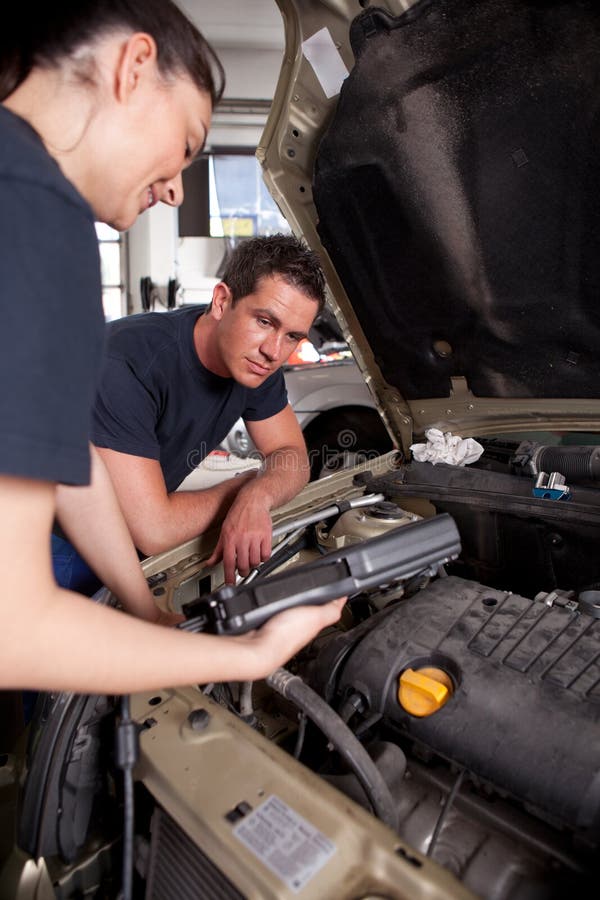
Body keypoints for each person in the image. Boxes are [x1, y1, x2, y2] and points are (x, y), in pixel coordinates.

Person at [0, 0, 344, 701]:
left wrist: (143, 607)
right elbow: (18, 630)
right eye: (186, 143)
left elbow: (77, 469)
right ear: (132, 67)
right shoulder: (38, 220)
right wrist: (249, 657)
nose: (176, 188)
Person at [54, 234, 326, 592]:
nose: (274, 351)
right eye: (264, 321)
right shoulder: (126, 364)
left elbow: (292, 457)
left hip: (129, 535)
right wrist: (243, 485)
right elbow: (155, 531)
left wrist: (258, 496)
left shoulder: (257, 366)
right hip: (51, 538)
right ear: (222, 300)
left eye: (293, 336)